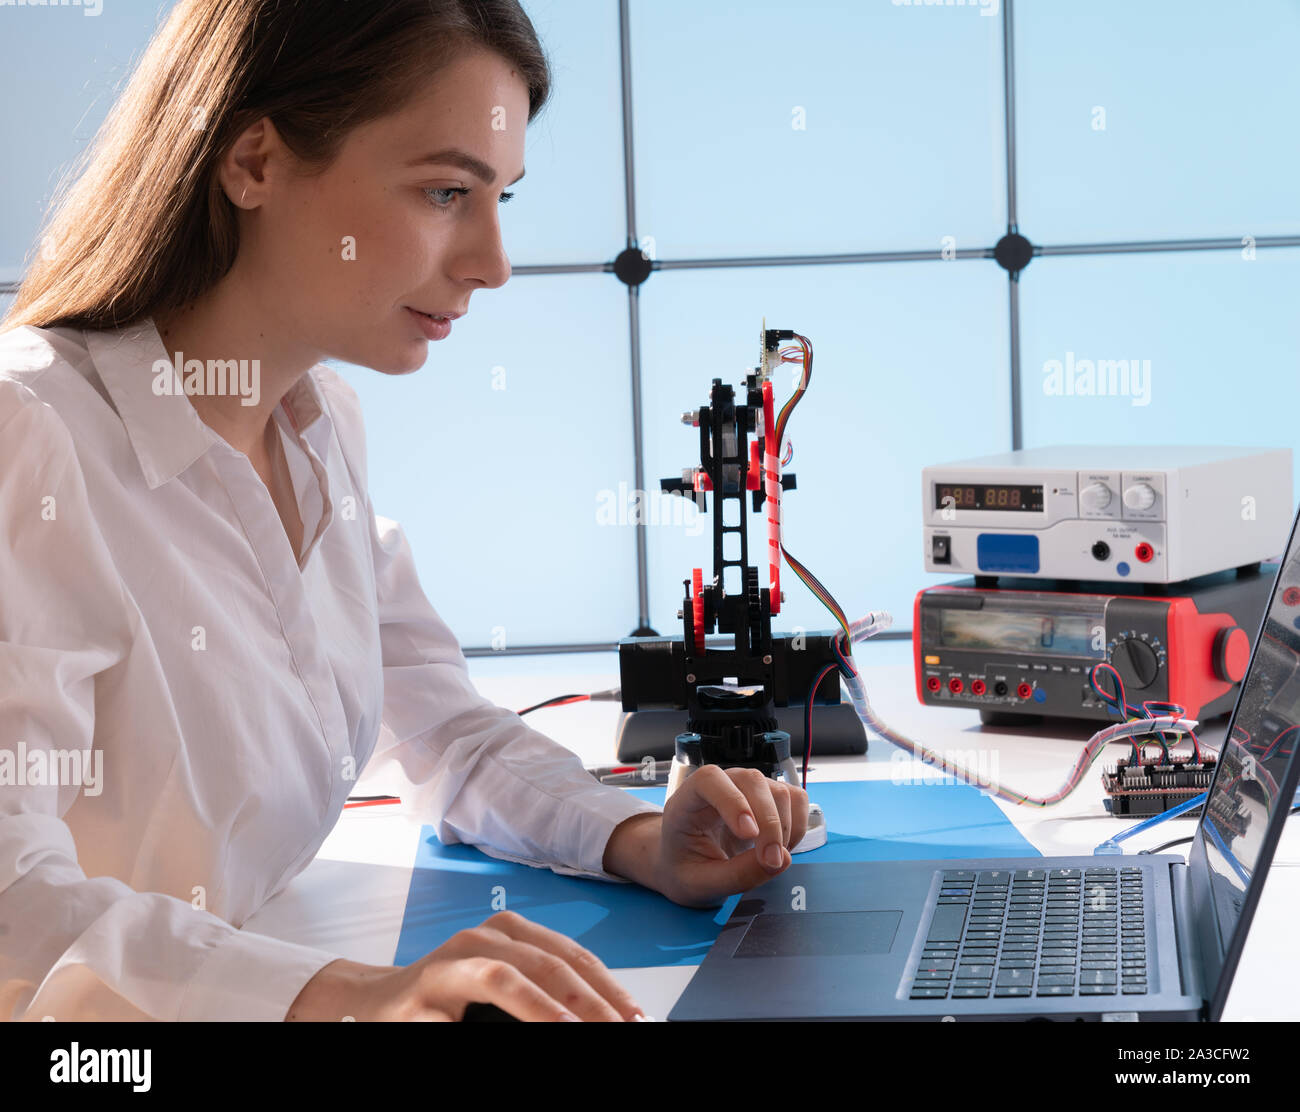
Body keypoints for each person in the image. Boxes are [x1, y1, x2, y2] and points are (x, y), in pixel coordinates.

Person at [0, 0, 809, 1022]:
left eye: (500, 197)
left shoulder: (316, 424)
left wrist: (636, 837)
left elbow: (442, 727)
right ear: (252, 161)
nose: (492, 260)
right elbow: (11, 904)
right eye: (444, 191)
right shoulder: (27, 434)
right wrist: (357, 995)